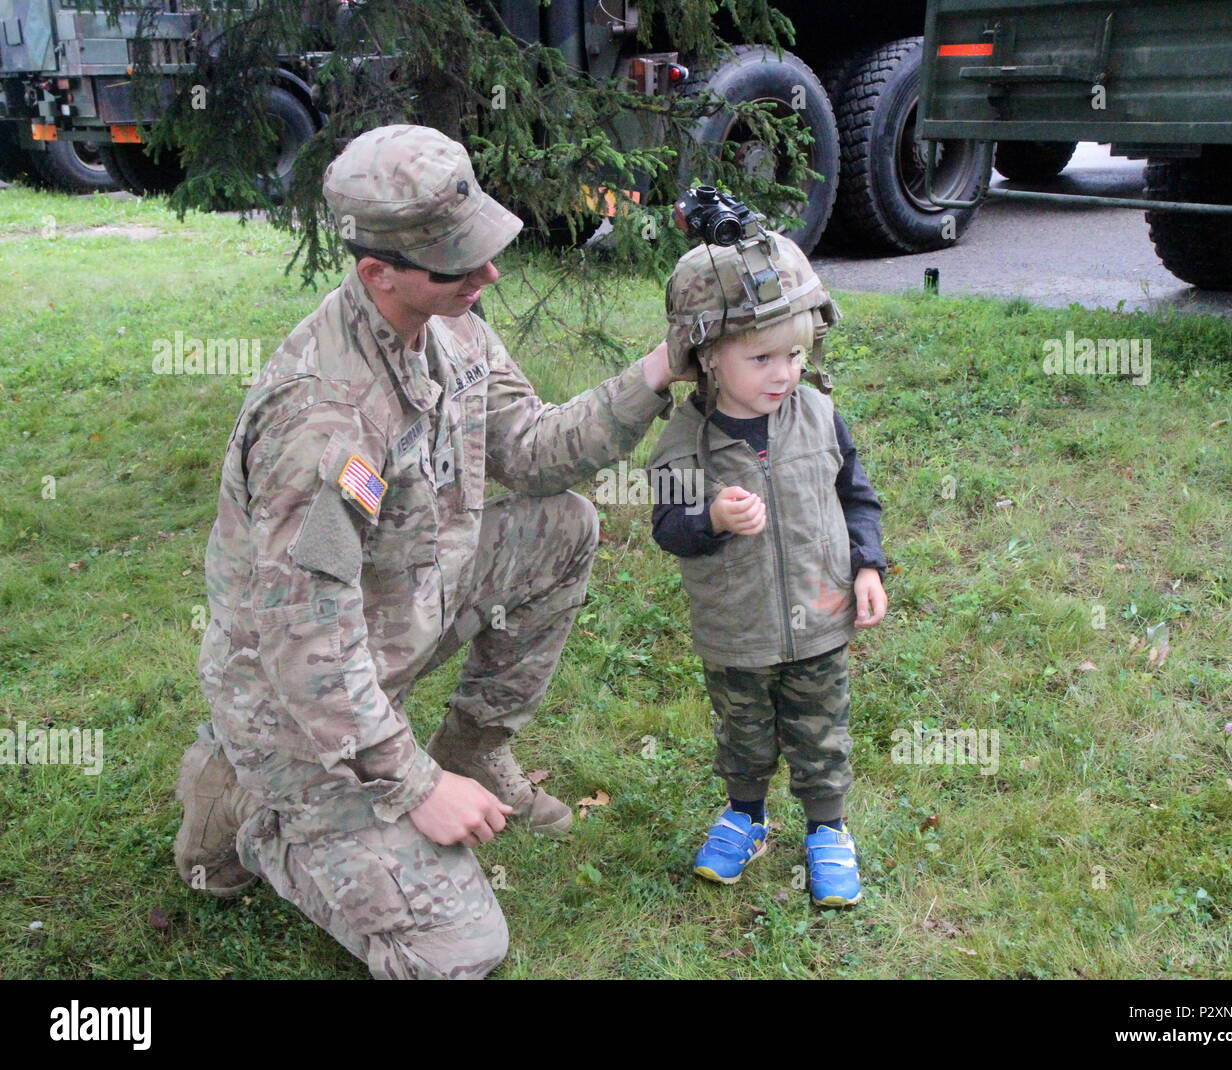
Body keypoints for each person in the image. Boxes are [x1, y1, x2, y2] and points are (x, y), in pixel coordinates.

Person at [173, 124, 686, 979]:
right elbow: (306, 646)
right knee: (459, 952)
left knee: (562, 527)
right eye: (460, 265)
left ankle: (473, 745)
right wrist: (413, 786)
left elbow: (527, 448)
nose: (489, 276)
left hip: (392, 618)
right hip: (302, 703)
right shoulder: (327, 423)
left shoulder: (454, 333)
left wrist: (657, 372)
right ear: (379, 272)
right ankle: (260, 815)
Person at [647, 230, 888, 907]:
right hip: (736, 630)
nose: (783, 373)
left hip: (819, 617)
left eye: (794, 354)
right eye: (762, 358)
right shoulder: (683, 442)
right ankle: (745, 816)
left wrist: (868, 568)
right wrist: (711, 520)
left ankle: (827, 830)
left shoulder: (819, 414)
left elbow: (857, 498)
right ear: (708, 358)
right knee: (744, 732)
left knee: (821, 733)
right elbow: (669, 529)